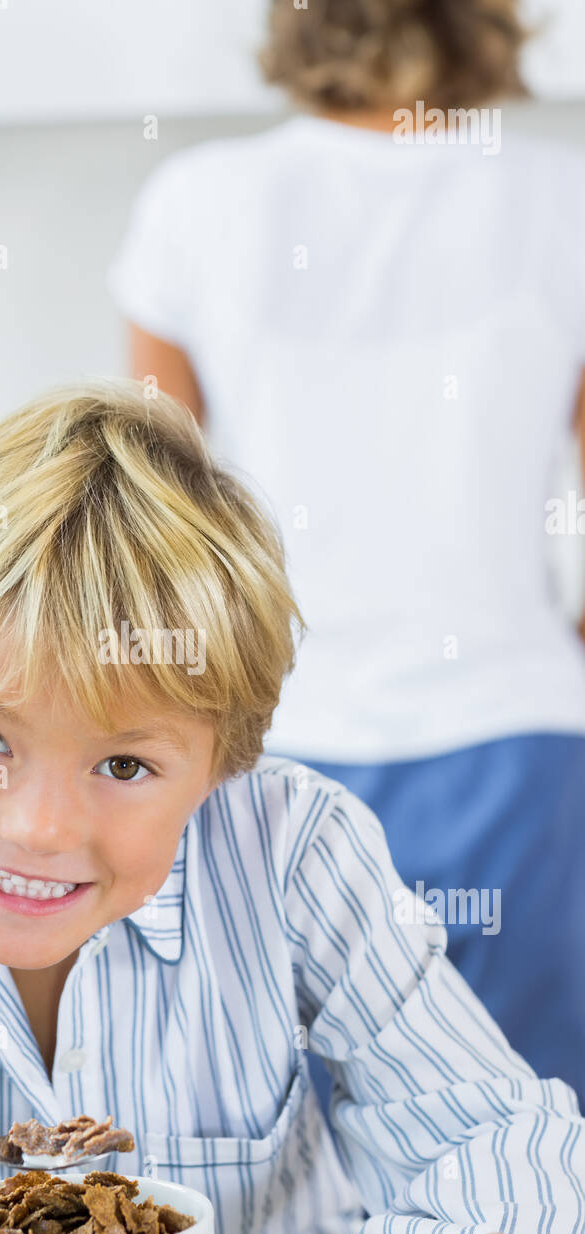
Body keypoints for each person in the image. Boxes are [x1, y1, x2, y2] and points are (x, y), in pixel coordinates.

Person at [0, 380, 582, 1234]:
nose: (41, 828)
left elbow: (485, 1131)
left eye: (124, 766)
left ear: (221, 767)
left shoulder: (292, 854)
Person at [106, 0, 585, 1117]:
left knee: (296, 1177)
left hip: (271, 749)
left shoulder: (195, 202)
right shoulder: (558, 199)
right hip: (516, 746)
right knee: (526, 1155)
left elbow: (150, 515)